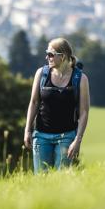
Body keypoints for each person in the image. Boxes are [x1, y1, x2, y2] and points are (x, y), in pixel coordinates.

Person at [23, 37, 90, 173]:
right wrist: (27, 130)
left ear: (63, 56)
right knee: (41, 179)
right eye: (47, 54)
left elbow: (84, 112)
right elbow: (34, 102)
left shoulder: (80, 79)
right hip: (41, 136)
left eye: (51, 54)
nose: (47, 57)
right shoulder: (41, 74)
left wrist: (77, 140)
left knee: (62, 178)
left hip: (67, 137)